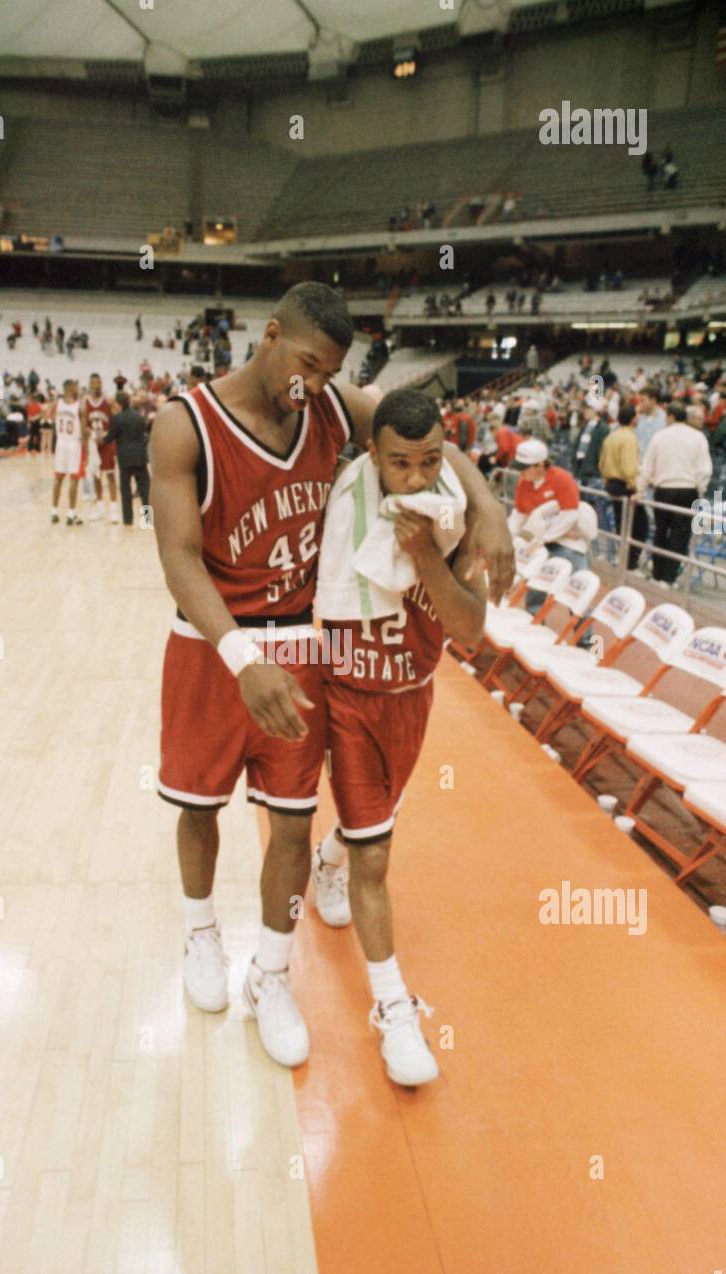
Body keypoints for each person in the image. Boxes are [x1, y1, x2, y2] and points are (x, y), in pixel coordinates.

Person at [150, 282, 513, 1070]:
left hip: (304, 647)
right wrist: (241, 658)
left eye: (328, 375)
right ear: (271, 333)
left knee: (290, 825)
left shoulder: (327, 403)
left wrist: (487, 502)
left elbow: (418, 434)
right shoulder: (185, 424)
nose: (313, 387)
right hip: (214, 649)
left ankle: (268, 975)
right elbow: (178, 558)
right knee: (199, 807)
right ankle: (200, 932)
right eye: (308, 366)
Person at [309, 390, 486, 1085]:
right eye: (399, 464)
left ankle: (328, 862)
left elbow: (469, 628)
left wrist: (430, 559)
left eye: (429, 463)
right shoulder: (342, 501)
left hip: (412, 699)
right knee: (375, 857)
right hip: (349, 697)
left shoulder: (453, 519)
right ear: (371, 458)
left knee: (365, 835)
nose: (415, 479)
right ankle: (392, 1008)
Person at [636, 402, 712, 586]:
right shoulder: (698, 437)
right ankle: (668, 579)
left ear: (670, 416)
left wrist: (641, 489)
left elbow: (647, 466)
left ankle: (657, 575)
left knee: (661, 532)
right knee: (680, 535)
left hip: (663, 489)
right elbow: (705, 470)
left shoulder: (659, 436)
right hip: (687, 489)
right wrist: (700, 490)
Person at [507, 439, 588, 612]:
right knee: (535, 588)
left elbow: (570, 515)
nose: (520, 473)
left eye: (524, 468)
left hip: (568, 542)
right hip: (541, 542)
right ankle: (533, 625)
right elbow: (519, 515)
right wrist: (507, 537)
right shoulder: (524, 484)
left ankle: (587, 638)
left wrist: (544, 538)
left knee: (577, 593)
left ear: (540, 465)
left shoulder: (562, 479)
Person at [598, 402, 647, 569]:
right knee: (640, 527)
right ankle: (630, 564)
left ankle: (625, 560)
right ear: (633, 419)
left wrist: (606, 481)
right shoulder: (629, 438)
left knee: (622, 524)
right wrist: (636, 488)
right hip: (625, 485)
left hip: (611, 484)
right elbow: (629, 467)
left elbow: (602, 463)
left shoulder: (611, 436)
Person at [102, 391, 150, 526]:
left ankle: (128, 520)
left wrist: (100, 439)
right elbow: (145, 436)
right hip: (140, 456)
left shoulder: (117, 419)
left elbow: (110, 438)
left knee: (125, 490)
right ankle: (147, 520)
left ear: (118, 403)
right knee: (145, 489)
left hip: (124, 458)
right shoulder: (139, 417)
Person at [49, 379, 87, 526]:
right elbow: (83, 432)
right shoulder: (80, 406)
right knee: (74, 480)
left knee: (58, 479)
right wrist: (87, 453)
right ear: (70, 388)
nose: (77, 389)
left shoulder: (56, 403)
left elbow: (47, 414)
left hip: (61, 443)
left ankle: (53, 511)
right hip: (74, 444)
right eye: (76, 387)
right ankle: (71, 514)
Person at [82, 373, 119, 523]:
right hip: (93, 443)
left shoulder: (108, 401)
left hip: (107, 441)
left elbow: (117, 420)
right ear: (90, 385)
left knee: (110, 476)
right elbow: (84, 426)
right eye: (93, 383)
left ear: (101, 383)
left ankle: (115, 510)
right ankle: (100, 508)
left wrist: (107, 436)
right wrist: (90, 438)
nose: (96, 385)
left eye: (98, 382)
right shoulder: (85, 403)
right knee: (97, 476)